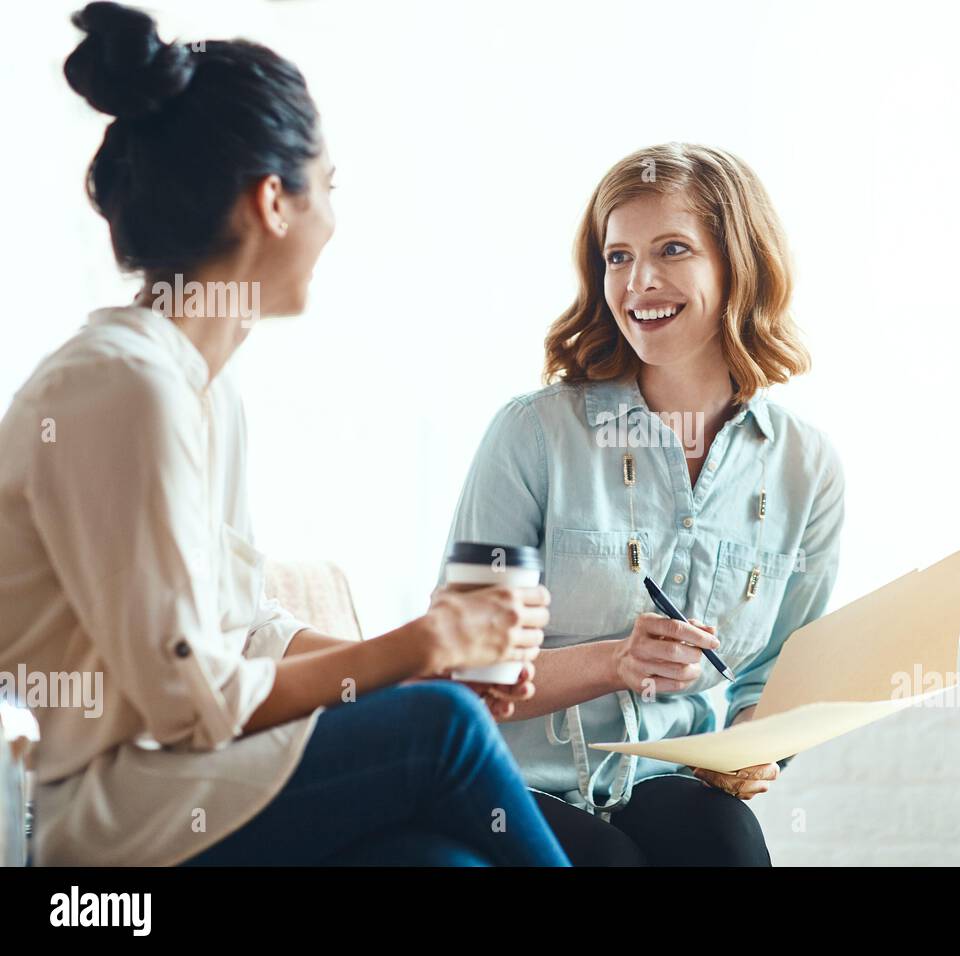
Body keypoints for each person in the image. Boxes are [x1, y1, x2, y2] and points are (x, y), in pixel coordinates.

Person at [0, 1, 567, 867]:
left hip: (203, 779)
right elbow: (193, 698)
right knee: (441, 727)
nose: (332, 222)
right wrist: (422, 648)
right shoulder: (123, 386)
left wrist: (426, 658)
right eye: (327, 188)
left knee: (443, 863)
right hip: (120, 813)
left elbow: (244, 626)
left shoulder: (199, 389)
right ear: (273, 200)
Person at [441, 143, 845, 865]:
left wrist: (758, 751)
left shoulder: (804, 469)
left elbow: (774, 673)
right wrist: (613, 661)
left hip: (662, 778)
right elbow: (462, 672)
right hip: (511, 782)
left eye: (672, 249)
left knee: (725, 840)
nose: (639, 282)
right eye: (618, 256)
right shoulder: (533, 434)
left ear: (738, 265)